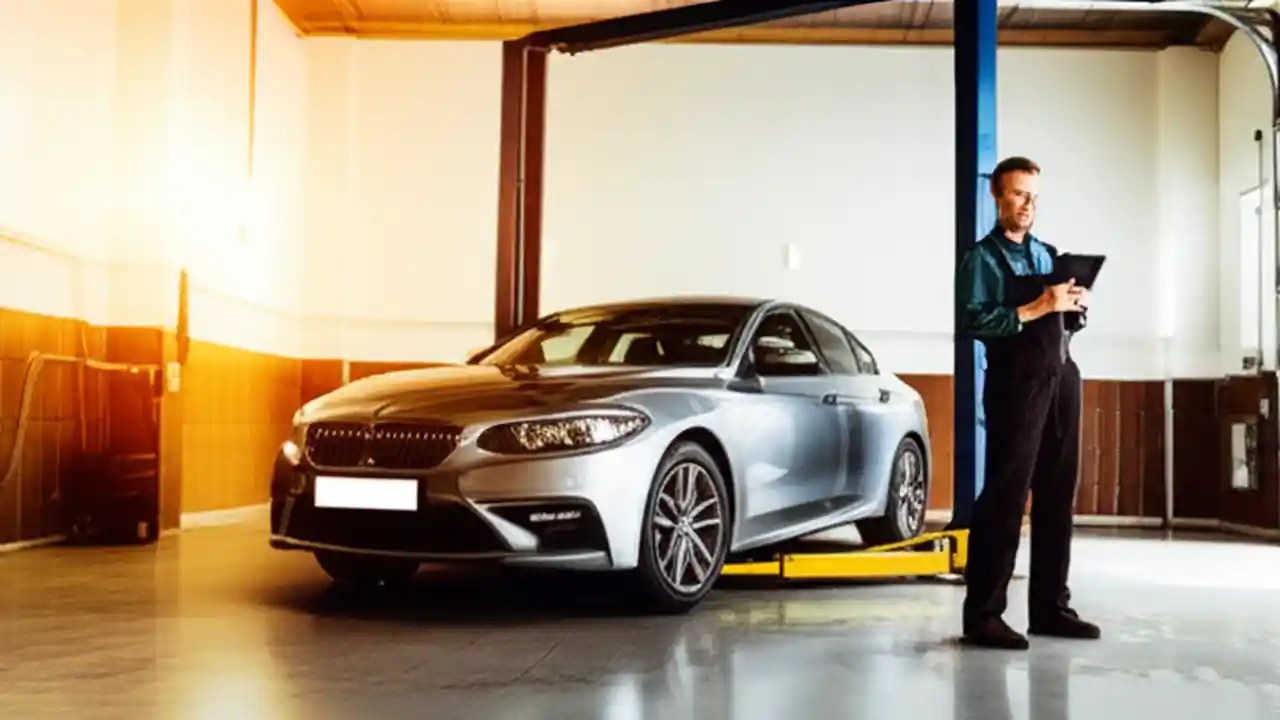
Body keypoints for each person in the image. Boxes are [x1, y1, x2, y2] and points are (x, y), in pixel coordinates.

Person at [955, 156, 1102, 650]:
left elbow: (1064, 320)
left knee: (1058, 494)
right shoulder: (981, 260)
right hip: (1015, 383)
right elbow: (975, 321)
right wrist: (1041, 305)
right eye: (1019, 194)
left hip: (1061, 377)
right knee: (1005, 494)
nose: (1027, 204)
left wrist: (1076, 306)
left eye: (1034, 196)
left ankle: (1050, 607)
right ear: (997, 196)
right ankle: (983, 614)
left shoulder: (1047, 255)